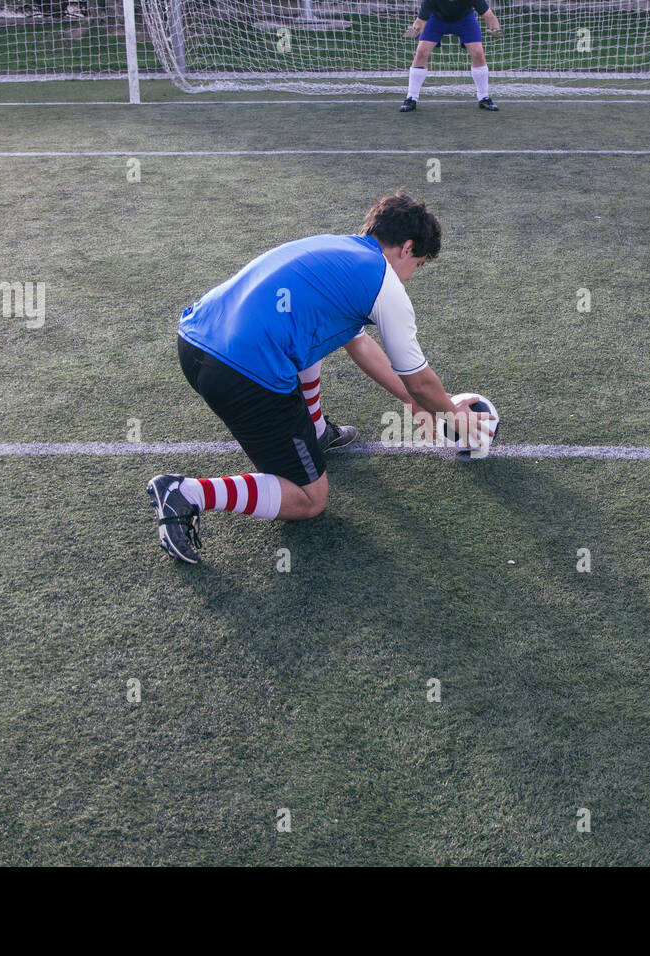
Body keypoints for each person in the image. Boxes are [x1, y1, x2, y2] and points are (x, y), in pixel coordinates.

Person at [148, 191, 496, 564]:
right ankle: (187, 493)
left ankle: (315, 432)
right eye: (418, 264)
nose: (412, 276)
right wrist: (449, 412)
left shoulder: (338, 250)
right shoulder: (384, 283)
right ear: (407, 247)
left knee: (312, 333)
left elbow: (358, 344)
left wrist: (413, 403)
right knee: (310, 499)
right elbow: (420, 380)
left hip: (194, 343)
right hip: (240, 372)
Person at [400, 0, 504, 113]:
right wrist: (415, 29)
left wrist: (495, 29)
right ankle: (411, 97)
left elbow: (489, 16)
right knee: (421, 52)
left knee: (478, 53)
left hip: (465, 20)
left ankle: (484, 97)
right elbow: (420, 20)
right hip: (436, 20)